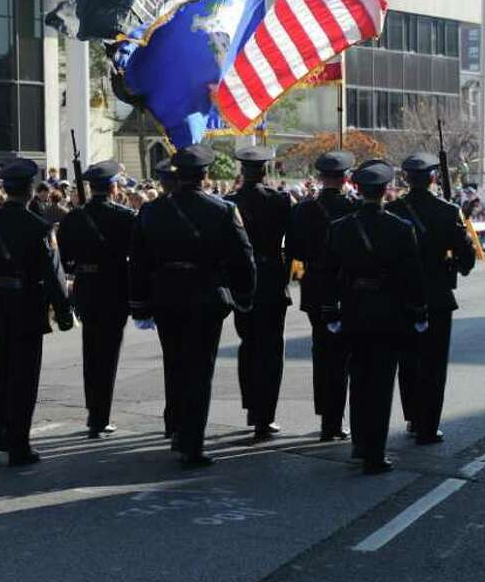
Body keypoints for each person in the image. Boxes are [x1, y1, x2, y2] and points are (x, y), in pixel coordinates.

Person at [128, 145, 255, 466]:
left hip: (166, 295)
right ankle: (191, 442)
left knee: (175, 363)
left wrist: (140, 303)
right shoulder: (222, 210)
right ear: (205, 174)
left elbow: (138, 262)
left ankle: (178, 428)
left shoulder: (152, 211)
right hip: (204, 295)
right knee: (199, 370)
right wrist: (244, 296)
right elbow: (243, 258)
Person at [0, 158, 74, 467]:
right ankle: (17, 443)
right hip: (26, 305)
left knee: (3, 367)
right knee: (24, 376)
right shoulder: (39, 228)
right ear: (29, 191)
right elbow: (54, 275)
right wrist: (64, 312)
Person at [319, 160, 426, 474]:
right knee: (380, 383)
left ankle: (360, 444)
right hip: (388, 313)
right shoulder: (400, 228)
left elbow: (328, 274)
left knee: (359, 379)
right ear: (386, 190)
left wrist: (331, 310)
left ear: (357, 189)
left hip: (353, 310)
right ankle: (374, 453)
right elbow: (413, 277)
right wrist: (418, 312)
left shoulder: (340, 228)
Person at [386, 153, 476, 445]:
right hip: (436, 294)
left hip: (401, 295)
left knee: (407, 360)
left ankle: (412, 416)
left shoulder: (393, 210)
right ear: (433, 178)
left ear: (406, 179)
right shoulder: (448, 211)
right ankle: (427, 426)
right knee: (433, 365)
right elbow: (466, 260)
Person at [58, 160, 135, 438]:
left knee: (90, 352)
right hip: (114, 288)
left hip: (87, 287)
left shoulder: (73, 217)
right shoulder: (126, 216)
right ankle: (101, 415)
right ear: (113, 187)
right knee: (109, 354)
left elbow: (65, 259)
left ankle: (94, 413)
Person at [285, 150, 358, 440]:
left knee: (323, 354)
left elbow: (294, 252)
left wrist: (308, 271)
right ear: (345, 178)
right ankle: (335, 419)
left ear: (320, 178)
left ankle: (327, 417)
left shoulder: (304, 209)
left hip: (316, 287)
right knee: (344, 356)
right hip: (347, 287)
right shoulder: (353, 207)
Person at [225, 146, 292, 439]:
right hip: (272, 280)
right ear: (265, 171)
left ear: (242, 172)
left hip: (242, 282)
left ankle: (253, 408)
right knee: (271, 349)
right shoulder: (279, 201)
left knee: (248, 345)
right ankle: (266, 415)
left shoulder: (231, 202)